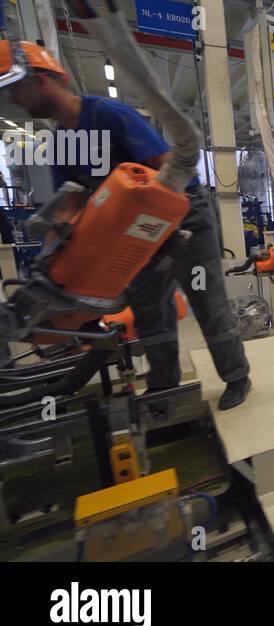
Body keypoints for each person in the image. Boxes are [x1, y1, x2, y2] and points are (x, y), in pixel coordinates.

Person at [2, 41, 252, 410]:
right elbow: (67, 206)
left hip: (184, 216)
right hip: (135, 231)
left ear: (41, 81)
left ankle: (236, 377)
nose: (15, 99)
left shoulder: (109, 115)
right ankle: (164, 390)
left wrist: (142, 212)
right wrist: (49, 263)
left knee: (206, 301)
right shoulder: (61, 143)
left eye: (16, 88)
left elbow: (172, 167)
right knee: (150, 311)